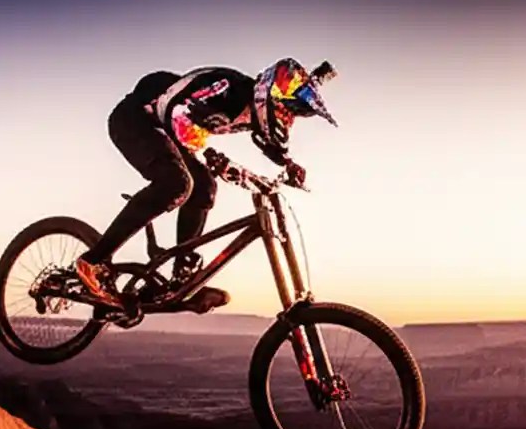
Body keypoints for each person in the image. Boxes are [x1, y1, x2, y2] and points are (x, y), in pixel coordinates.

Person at [76, 58, 338, 309]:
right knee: (177, 184)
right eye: (285, 110)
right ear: (269, 95)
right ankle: (92, 261)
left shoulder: (253, 112)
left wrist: (287, 164)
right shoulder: (228, 88)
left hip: (166, 131)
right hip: (135, 120)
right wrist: (202, 152)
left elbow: (268, 141)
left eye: (291, 115)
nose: (286, 119)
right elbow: (174, 109)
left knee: (205, 187)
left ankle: (182, 278)